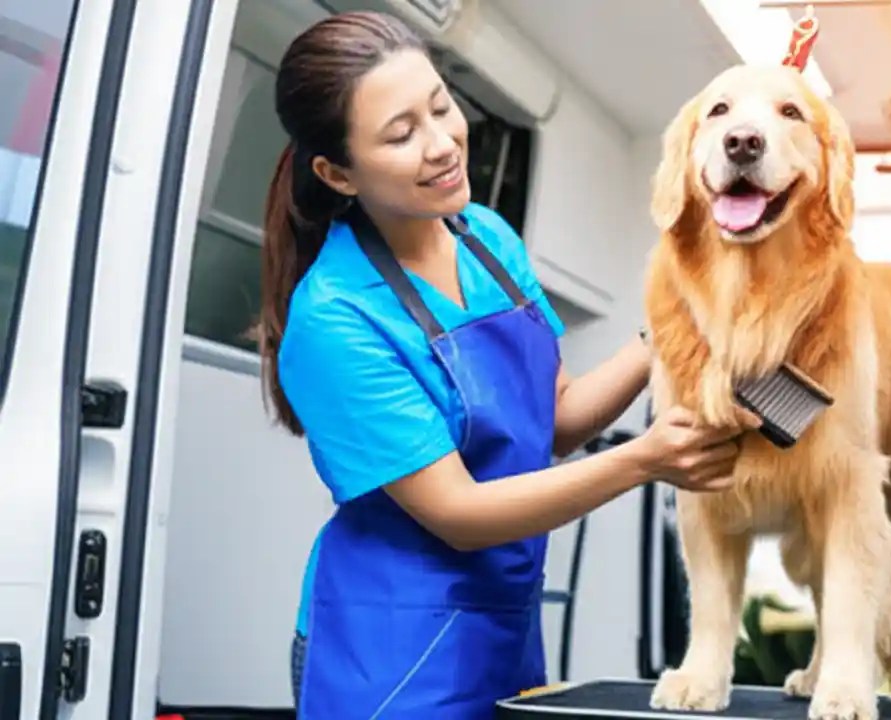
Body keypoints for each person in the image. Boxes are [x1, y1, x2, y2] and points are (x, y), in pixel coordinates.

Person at [257, 10, 760, 719]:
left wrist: (675, 329)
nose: (441, 144)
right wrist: (646, 460)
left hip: (504, 625)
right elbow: (458, 513)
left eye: (440, 107)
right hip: (389, 649)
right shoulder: (334, 319)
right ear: (337, 171)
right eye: (402, 134)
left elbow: (553, 420)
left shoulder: (484, 237)